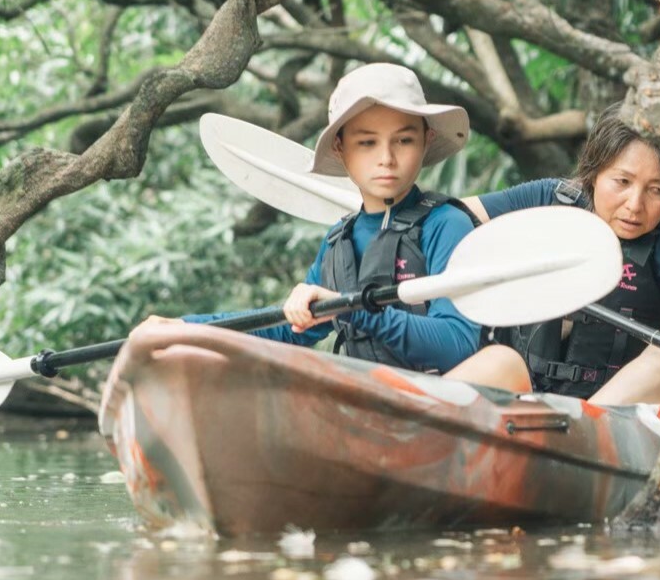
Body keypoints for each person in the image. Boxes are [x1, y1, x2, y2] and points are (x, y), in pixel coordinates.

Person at [142, 62, 481, 375]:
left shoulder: (446, 225)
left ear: (427, 140)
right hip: (372, 413)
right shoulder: (339, 243)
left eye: (404, 140)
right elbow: (288, 329)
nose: (386, 159)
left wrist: (351, 307)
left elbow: (457, 345)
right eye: (366, 143)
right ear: (339, 148)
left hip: (446, 411)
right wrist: (187, 328)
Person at [445, 103, 660, 405]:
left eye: (657, 190)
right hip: (513, 396)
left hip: (601, 423)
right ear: (594, 174)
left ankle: (574, 434)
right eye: (622, 182)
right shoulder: (549, 199)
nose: (635, 204)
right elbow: (446, 220)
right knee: (497, 360)